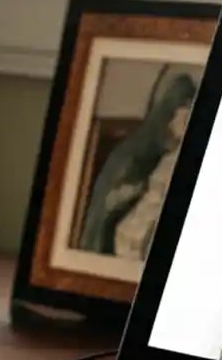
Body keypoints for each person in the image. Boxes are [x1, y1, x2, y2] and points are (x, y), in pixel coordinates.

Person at [78, 72, 197, 255]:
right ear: (171, 114)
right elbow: (110, 202)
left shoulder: (171, 153)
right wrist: (138, 190)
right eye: (184, 116)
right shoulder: (134, 154)